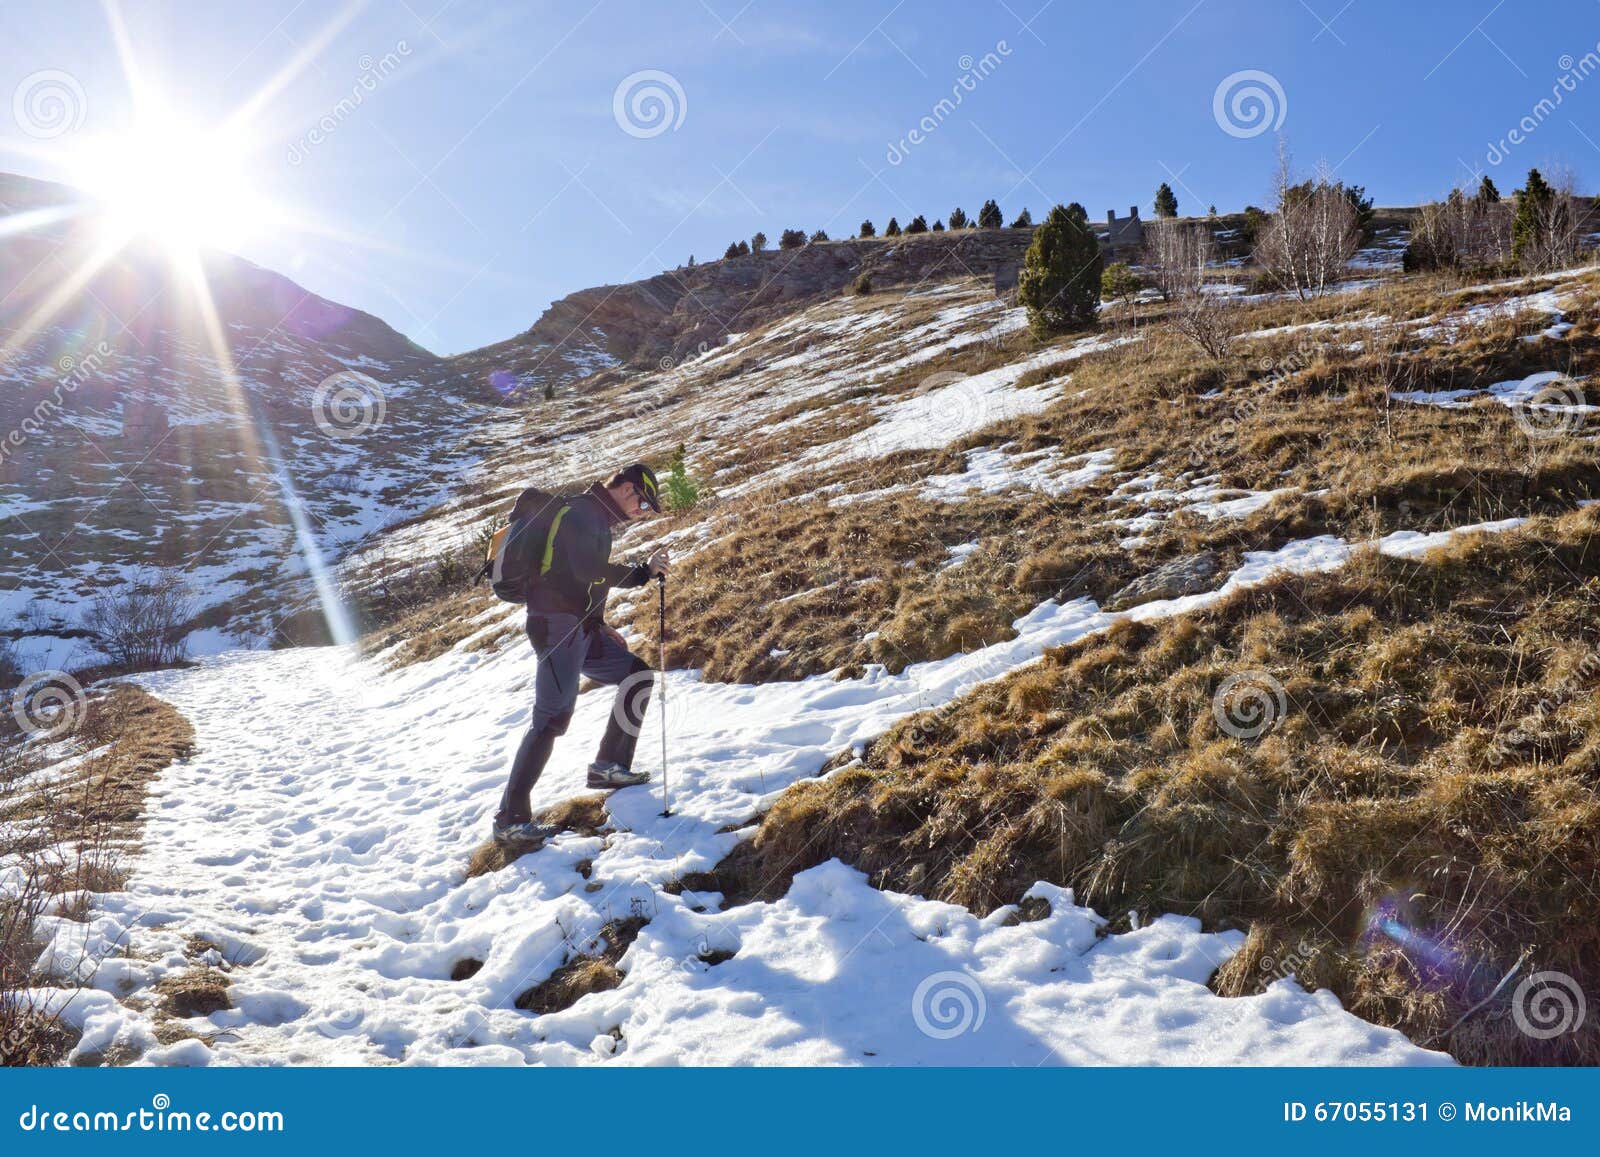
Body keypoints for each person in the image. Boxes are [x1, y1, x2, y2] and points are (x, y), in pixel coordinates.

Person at [492, 463, 671, 848]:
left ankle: (610, 766)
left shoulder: (594, 519)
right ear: (625, 490)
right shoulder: (581, 513)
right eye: (642, 502)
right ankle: (510, 821)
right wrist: (641, 573)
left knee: (636, 675)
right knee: (551, 719)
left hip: (580, 628)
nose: (641, 510)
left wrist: (599, 622)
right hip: (556, 628)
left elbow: (577, 578)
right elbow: (589, 569)